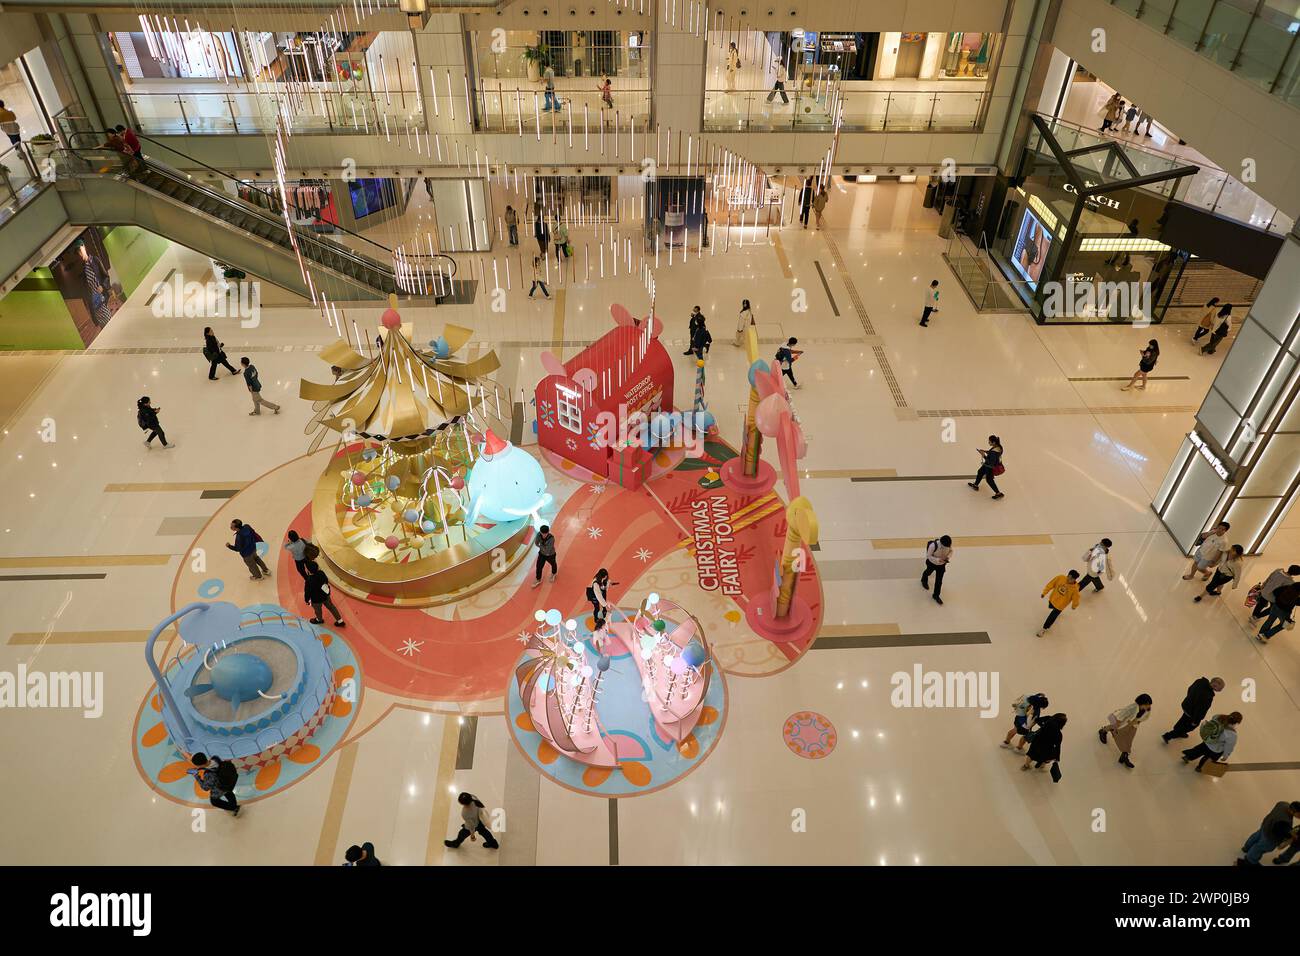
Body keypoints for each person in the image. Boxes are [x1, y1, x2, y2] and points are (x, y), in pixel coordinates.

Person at [1161, 676, 1224, 743]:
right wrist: (1195, 721)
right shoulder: (1207, 696)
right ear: (1214, 685)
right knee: (1189, 726)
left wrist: (1190, 699)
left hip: (1187, 705)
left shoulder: (1200, 681)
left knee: (1183, 719)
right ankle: (1168, 735)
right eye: (1220, 688)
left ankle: (1177, 729)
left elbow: (1190, 689)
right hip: (1191, 712)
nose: (1220, 690)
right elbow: (1200, 710)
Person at [1097, 694, 1153, 769]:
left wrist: (1137, 721)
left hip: (1133, 725)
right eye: (1146, 705)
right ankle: (1103, 731)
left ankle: (1125, 755)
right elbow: (1124, 712)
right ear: (1141, 703)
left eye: (1149, 705)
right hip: (1124, 722)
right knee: (1115, 729)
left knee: (1129, 740)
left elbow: (1146, 717)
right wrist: (1118, 721)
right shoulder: (1133, 707)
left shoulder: (1147, 710)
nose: (1148, 707)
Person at [1238, 802, 1300, 866]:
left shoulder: (1283, 804)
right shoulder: (1284, 821)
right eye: (1299, 814)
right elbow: (1280, 832)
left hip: (1266, 825)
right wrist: (1291, 835)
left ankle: (1246, 848)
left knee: (1256, 836)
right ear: (1292, 811)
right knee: (1260, 847)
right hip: (1269, 837)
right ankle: (1251, 860)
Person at [1037, 569, 1081, 637]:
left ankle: (1044, 628)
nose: (1069, 579)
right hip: (1052, 600)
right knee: (1050, 607)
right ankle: (1053, 611)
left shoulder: (1075, 589)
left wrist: (1074, 606)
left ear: (1074, 579)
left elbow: (1076, 599)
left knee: (1052, 616)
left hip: (1060, 606)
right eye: (1068, 576)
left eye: (1071, 578)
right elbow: (1051, 584)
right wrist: (1044, 592)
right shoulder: (1060, 578)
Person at [303, 559, 345, 627]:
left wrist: (306, 600)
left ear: (309, 571)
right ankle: (340, 620)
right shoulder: (321, 573)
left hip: (316, 600)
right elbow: (326, 580)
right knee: (331, 607)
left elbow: (307, 592)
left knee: (318, 610)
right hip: (325, 595)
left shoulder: (309, 580)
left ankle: (319, 620)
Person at [968, 436, 1005, 500]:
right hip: (988, 465)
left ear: (993, 442)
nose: (988, 442)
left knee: (989, 480)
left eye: (989, 441)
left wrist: (983, 455)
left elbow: (991, 462)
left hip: (990, 467)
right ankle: (975, 485)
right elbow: (992, 454)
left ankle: (998, 493)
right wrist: (985, 451)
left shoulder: (994, 452)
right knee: (980, 472)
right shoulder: (998, 447)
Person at [921, 535, 952, 606]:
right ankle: (924, 579)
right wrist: (938, 560)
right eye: (945, 547)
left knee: (939, 581)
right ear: (941, 544)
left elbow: (951, 551)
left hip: (941, 566)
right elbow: (928, 556)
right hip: (932, 563)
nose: (948, 547)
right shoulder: (933, 546)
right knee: (928, 572)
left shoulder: (948, 545)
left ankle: (936, 595)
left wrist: (947, 557)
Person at [531, 524, 557, 588]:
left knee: (553, 564)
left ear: (548, 532)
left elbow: (548, 551)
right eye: (542, 533)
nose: (544, 535)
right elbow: (536, 543)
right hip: (542, 554)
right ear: (540, 532)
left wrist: (541, 546)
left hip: (550, 554)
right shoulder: (539, 535)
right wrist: (542, 547)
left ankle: (554, 573)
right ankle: (538, 579)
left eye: (545, 533)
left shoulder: (551, 538)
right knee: (539, 566)